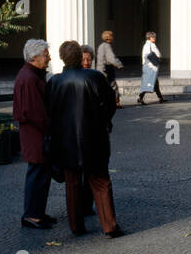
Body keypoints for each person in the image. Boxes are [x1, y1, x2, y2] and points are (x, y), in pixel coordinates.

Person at [47, 40, 122, 237]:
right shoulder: (94, 77)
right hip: (94, 138)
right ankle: (109, 226)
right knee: (100, 182)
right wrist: (103, 122)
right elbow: (109, 104)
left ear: (62, 57)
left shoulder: (54, 82)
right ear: (80, 57)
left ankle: (76, 226)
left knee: (72, 183)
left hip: (66, 140)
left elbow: (50, 113)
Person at [12, 39, 56, 228]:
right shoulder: (30, 78)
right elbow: (36, 112)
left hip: (35, 133)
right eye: (46, 55)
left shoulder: (30, 75)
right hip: (35, 135)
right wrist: (51, 129)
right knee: (37, 175)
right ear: (34, 57)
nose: (48, 58)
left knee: (40, 174)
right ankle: (32, 215)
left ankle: (36, 212)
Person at [96, 30, 123, 108]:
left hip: (100, 68)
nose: (113, 37)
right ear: (110, 37)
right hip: (106, 69)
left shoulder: (101, 46)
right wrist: (120, 65)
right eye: (112, 36)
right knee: (113, 86)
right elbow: (111, 58)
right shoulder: (107, 46)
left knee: (102, 86)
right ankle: (116, 103)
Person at [138, 31, 164, 104]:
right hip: (151, 67)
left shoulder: (147, 45)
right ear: (150, 38)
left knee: (155, 83)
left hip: (149, 67)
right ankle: (140, 97)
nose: (155, 38)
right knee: (148, 83)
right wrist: (159, 58)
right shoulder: (150, 45)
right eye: (153, 37)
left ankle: (160, 98)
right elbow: (156, 54)